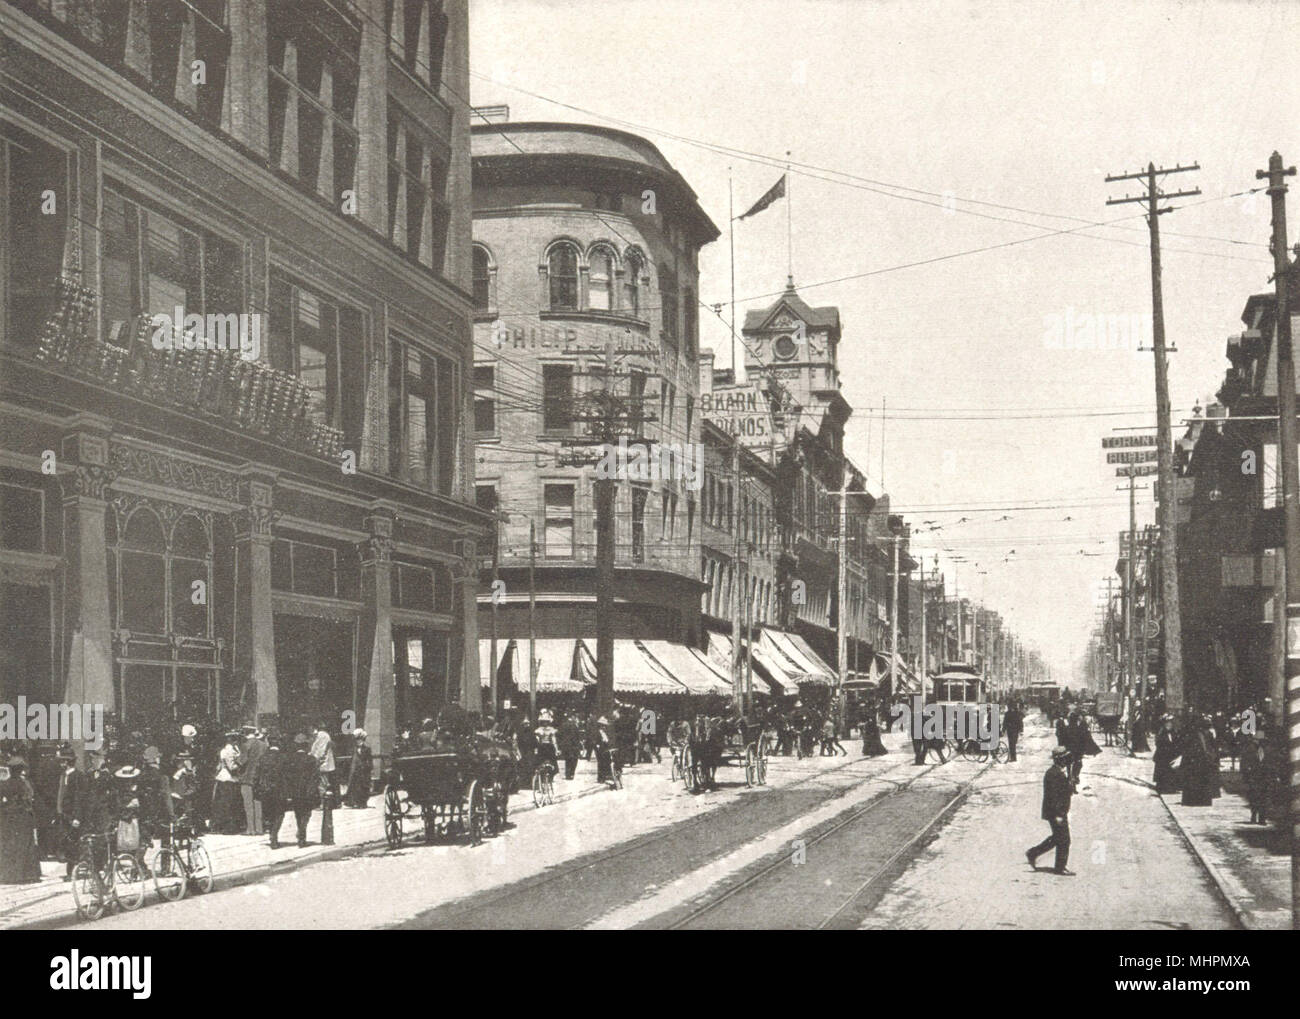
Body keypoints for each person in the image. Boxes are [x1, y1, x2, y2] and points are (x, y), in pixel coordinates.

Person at [1025, 746, 1074, 876]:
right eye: (1064, 758)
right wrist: (1058, 814)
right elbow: (1053, 796)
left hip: (1058, 811)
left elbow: (1067, 791)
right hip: (1056, 812)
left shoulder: (1059, 772)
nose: (1066, 761)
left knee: (1057, 838)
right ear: (1059, 759)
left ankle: (1033, 853)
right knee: (1064, 839)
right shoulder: (1053, 774)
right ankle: (1060, 867)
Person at [266, 734, 320, 849]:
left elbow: (286, 777)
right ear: (306, 746)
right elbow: (315, 778)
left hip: (294, 792)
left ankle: (276, 837)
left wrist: (288, 792)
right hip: (307, 792)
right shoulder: (311, 759)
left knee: (296, 813)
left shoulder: (289, 759)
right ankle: (301, 837)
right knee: (305, 815)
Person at [0, 754, 42, 884]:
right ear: (20, 770)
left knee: (8, 846)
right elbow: (29, 800)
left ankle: (8, 875)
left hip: (8, 818)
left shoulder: (4, 784)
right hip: (23, 818)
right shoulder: (24, 784)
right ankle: (27, 874)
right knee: (25, 845)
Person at [1180, 714, 1220, 807]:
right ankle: (1197, 800)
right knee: (1197, 782)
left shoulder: (1206, 734)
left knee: (1200, 782)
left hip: (1202, 762)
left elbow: (1212, 747)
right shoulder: (1192, 734)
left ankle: (1200, 800)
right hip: (1196, 762)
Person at [309, 721, 336, 846]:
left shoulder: (322, 736)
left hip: (322, 765)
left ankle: (323, 804)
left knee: (322, 785)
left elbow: (320, 751)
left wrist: (312, 758)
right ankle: (323, 803)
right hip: (323, 764)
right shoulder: (323, 736)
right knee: (322, 784)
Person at [212, 730, 244, 834]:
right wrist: (242, 764)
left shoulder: (231, 749)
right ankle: (229, 827)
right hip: (228, 778)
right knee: (229, 804)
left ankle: (226, 826)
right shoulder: (229, 750)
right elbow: (231, 766)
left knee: (227, 804)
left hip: (227, 778)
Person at [239, 727, 268, 835]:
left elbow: (242, 761)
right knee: (258, 803)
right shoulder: (263, 745)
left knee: (248, 804)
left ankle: (250, 829)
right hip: (259, 778)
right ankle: (259, 828)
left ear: (245, 733)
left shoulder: (245, 745)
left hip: (247, 777)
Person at [346, 730, 373, 808]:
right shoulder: (354, 749)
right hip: (356, 770)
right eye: (356, 739)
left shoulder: (367, 749)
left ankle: (363, 803)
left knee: (364, 786)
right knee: (356, 786)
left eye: (358, 739)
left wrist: (367, 767)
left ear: (362, 739)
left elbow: (369, 760)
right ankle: (355, 802)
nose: (357, 741)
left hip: (364, 770)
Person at [1152, 715, 1179, 794]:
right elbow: (1158, 743)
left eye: (1170, 723)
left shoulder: (1173, 732)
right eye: (1167, 724)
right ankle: (1162, 787)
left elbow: (1176, 741)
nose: (1169, 725)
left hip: (1170, 755)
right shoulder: (1161, 732)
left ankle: (1171, 787)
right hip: (1162, 755)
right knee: (1162, 771)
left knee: (1170, 772)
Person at [534, 710, 559, 781]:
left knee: (552, 762)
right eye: (543, 721)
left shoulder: (551, 730)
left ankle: (550, 775)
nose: (545, 723)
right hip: (542, 747)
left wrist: (556, 749)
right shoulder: (538, 730)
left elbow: (554, 741)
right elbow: (537, 741)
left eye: (546, 721)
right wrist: (536, 748)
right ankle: (541, 776)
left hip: (549, 747)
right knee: (540, 762)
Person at [557, 713, 582, 781]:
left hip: (566, 745)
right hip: (573, 745)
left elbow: (559, 735)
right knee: (574, 760)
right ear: (572, 717)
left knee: (568, 760)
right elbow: (576, 736)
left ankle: (568, 774)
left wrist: (561, 745)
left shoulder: (563, 725)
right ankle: (571, 773)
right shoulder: (574, 725)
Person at [593, 716, 615, 784]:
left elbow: (606, 740)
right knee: (601, 764)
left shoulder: (604, 732)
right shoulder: (597, 733)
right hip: (600, 750)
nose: (604, 727)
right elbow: (596, 741)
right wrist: (598, 747)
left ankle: (606, 776)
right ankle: (601, 778)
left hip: (605, 749)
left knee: (606, 763)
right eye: (603, 726)